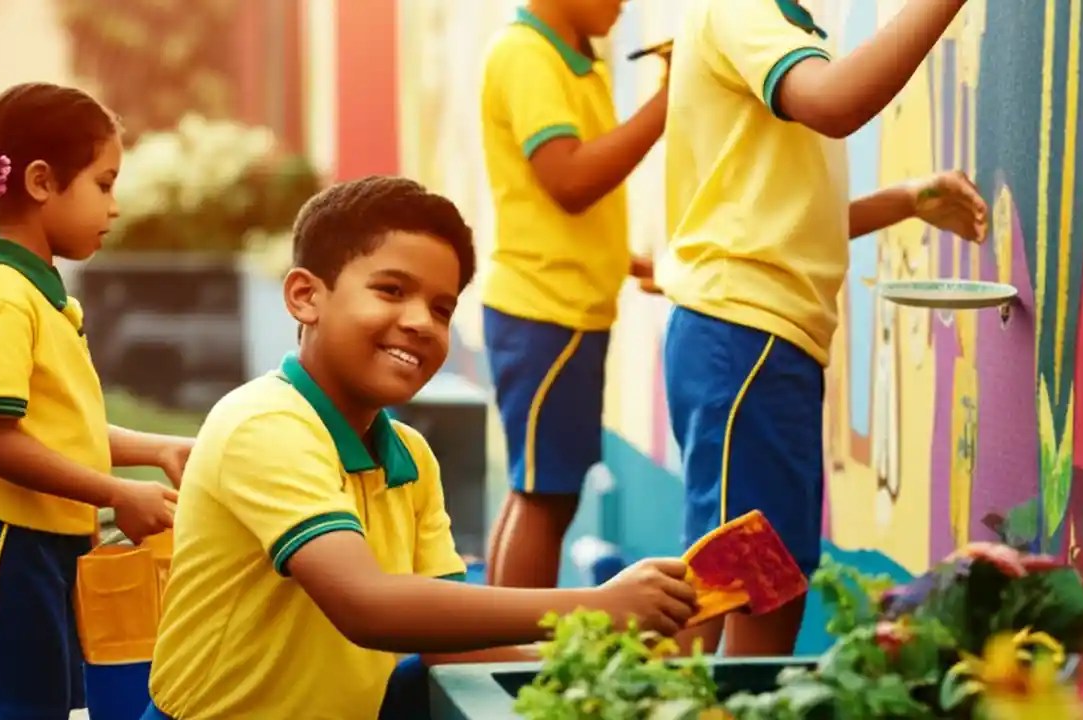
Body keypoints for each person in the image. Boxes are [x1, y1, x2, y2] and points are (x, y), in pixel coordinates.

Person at [144, 176, 696, 719]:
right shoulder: (264, 422)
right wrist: (598, 606)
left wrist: (604, 670)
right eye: (391, 290)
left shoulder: (408, 455)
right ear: (306, 296)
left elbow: (451, 646)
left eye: (441, 309)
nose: (420, 323)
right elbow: (367, 607)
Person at [660, 0, 989, 657]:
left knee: (765, 584)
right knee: (743, 588)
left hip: (759, 340)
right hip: (742, 335)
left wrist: (906, 199)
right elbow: (837, 102)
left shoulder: (790, 29)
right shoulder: (741, 11)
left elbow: (788, 218)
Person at [0, 82, 191, 719]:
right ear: (39, 182)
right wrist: (117, 493)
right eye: (104, 183)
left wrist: (158, 448)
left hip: (47, 545)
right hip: (3, 546)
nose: (115, 206)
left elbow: (58, 428)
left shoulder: (40, 293)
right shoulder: (1, 297)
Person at [479, 0, 667, 589]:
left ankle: (496, 643)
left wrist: (625, 258)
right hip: (544, 311)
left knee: (543, 491)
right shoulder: (527, 55)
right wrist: (669, 101)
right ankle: (504, 651)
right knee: (544, 496)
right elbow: (570, 180)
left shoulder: (581, 60)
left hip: (564, 310)